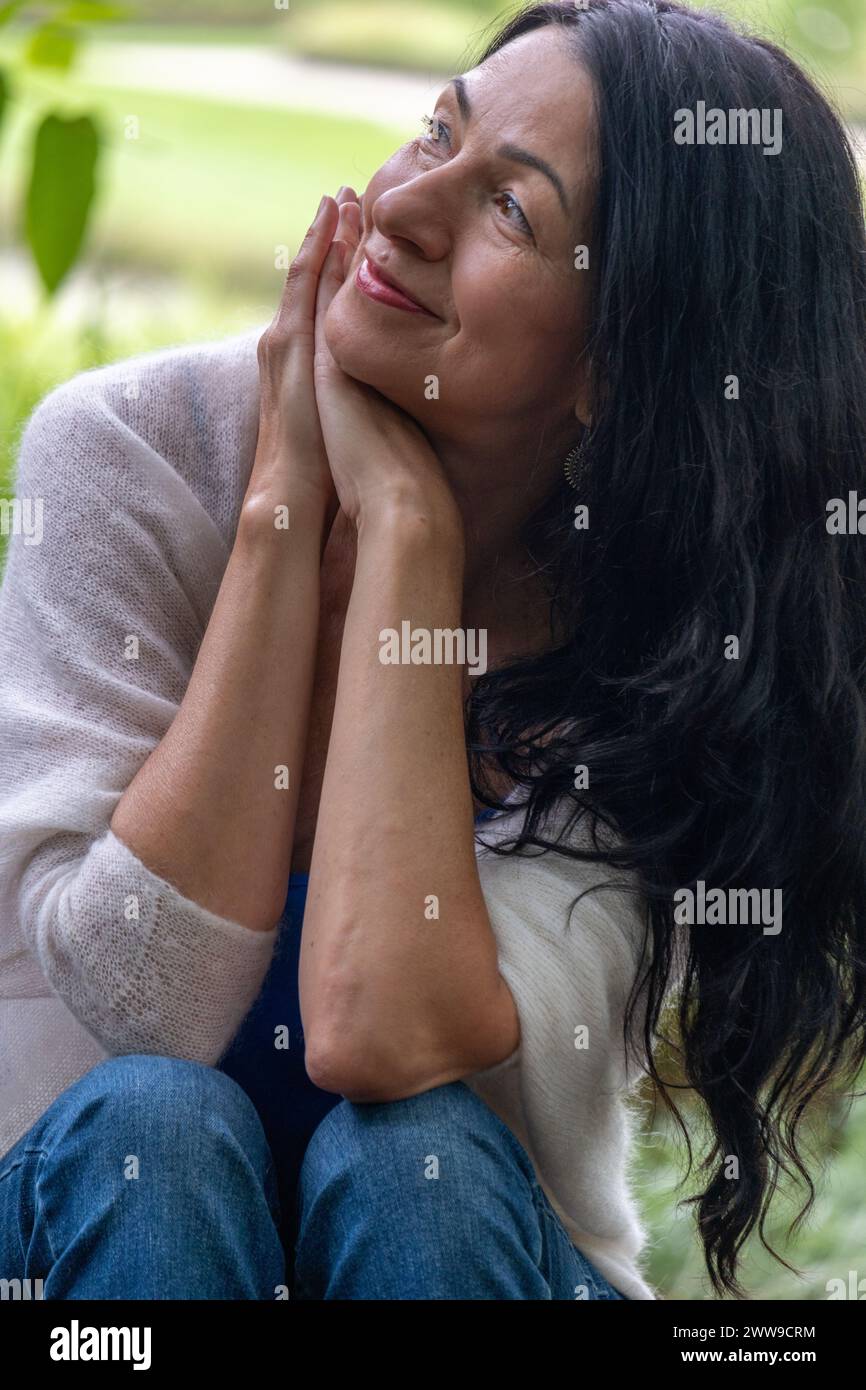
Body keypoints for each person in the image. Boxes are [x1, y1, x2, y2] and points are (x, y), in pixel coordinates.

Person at [1, 0, 865, 1301]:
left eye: (510, 211)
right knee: (155, 1128)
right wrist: (277, 518)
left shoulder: (676, 650)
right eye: (433, 133)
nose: (402, 207)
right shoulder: (134, 452)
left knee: (422, 1153)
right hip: (83, 1261)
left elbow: (381, 1032)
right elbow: (150, 1003)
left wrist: (406, 531)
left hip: (477, 1257)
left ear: (621, 364)